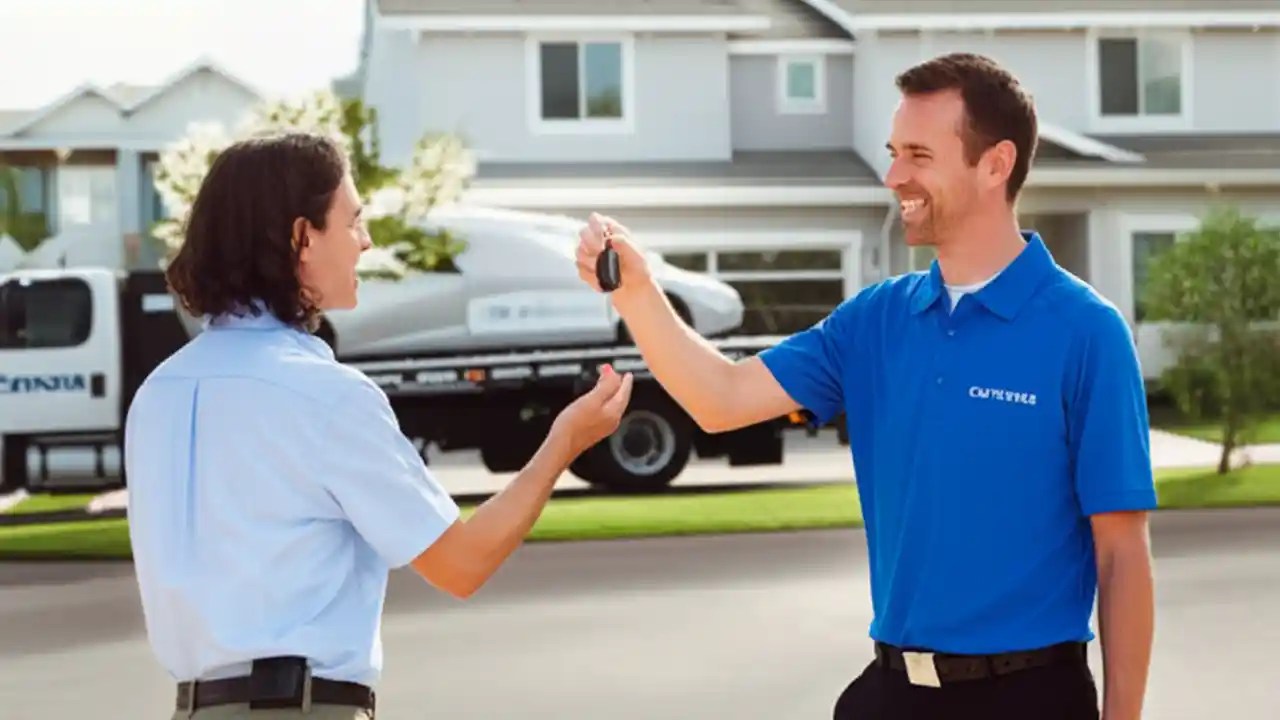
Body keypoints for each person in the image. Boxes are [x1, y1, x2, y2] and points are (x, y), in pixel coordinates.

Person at [576, 52, 1156, 720]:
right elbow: (721, 400)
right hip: (891, 695)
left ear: (994, 165)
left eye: (918, 155)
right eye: (893, 152)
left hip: (1028, 698)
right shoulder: (877, 320)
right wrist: (640, 292)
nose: (892, 176)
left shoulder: (1085, 332)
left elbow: (1121, 555)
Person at [124, 132, 633, 719]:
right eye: (353, 221)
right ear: (301, 237)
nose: (366, 242)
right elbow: (461, 563)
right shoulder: (324, 395)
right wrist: (565, 441)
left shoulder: (157, 395)